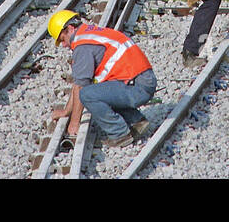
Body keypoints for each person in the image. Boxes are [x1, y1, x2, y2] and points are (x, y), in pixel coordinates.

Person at [47, 9, 156, 148]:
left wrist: (74, 125)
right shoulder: (89, 33)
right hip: (140, 81)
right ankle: (136, 121)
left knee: (88, 94)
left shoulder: (82, 46)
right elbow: (78, 83)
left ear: (70, 28)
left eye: (62, 39)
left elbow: (81, 88)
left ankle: (120, 134)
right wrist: (66, 112)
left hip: (138, 87)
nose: (63, 45)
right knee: (99, 89)